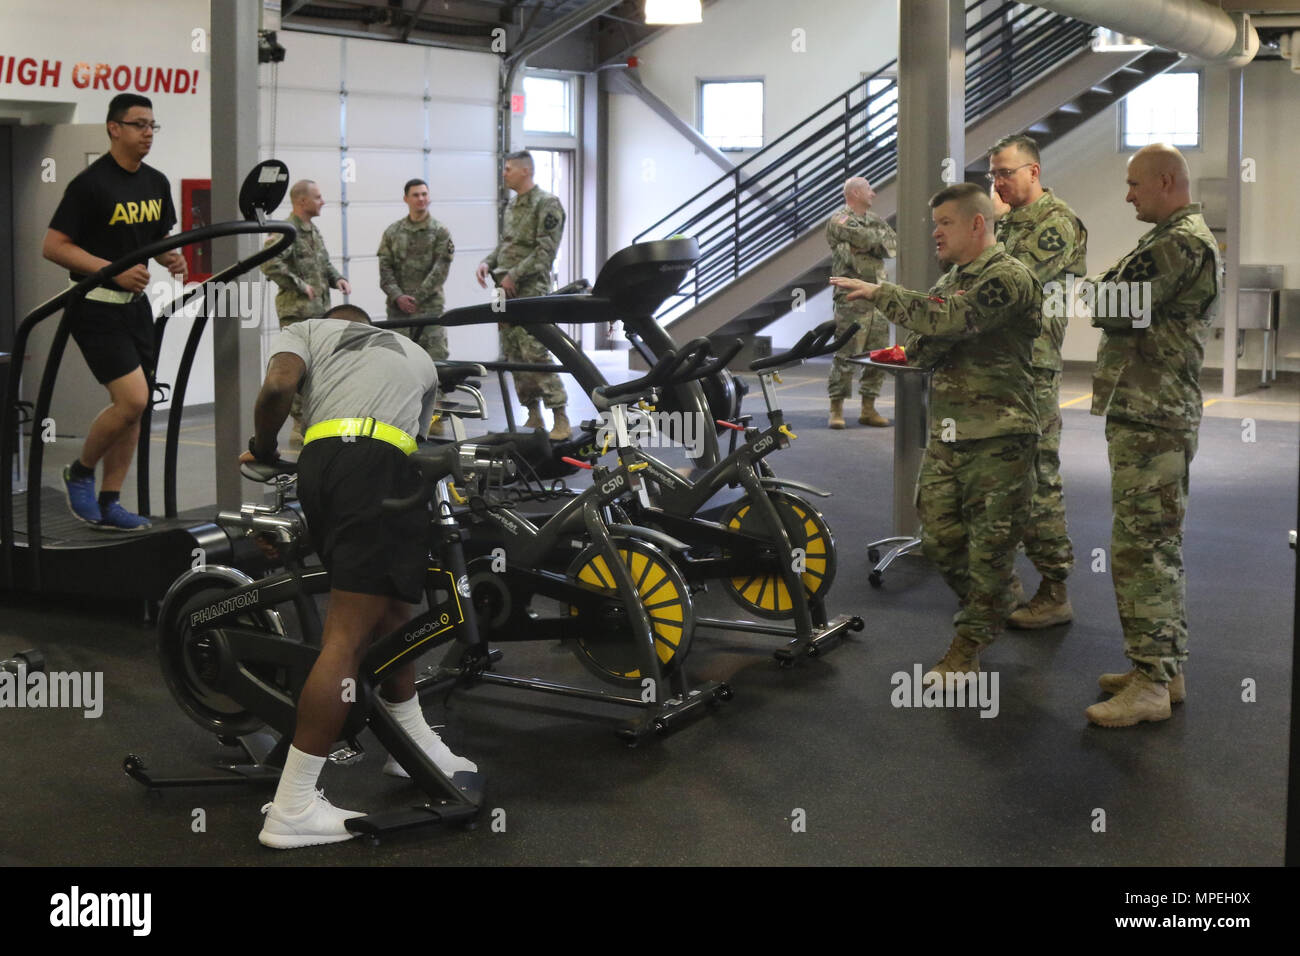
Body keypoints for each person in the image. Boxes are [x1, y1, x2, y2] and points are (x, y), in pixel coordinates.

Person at [242, 302, 476, 848]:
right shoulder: (418, 355)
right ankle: (292, 807)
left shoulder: (308, 330)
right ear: (370, 323)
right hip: (383, 467)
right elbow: (410, 442)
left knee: (393, 608)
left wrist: (261, 447)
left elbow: (279, 385)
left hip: (322, 464)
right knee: (345, 638)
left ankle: (408, 745)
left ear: (334, 321)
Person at [830, 182, 1040, 682]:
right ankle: (993, 601)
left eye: (945, 223)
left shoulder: (1006, 277)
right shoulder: (952, 279)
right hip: (951, 432)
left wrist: (884, 294)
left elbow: (946, 320)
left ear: (976, 224)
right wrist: (909, 340)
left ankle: (966, 649)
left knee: (990, 547)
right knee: (942, 539)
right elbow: (925, 345)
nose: (935, 234)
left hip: (999, 435)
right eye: (934, 223)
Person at [1082, 144, 1219, 728]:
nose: (1128, 195)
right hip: (1153, 411)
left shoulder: (1178, 242)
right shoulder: (1173, 237)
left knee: (1143, 548)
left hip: (1153, 416)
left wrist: (1100, 289)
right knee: (1154, 545)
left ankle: (1152, 684)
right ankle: (1163, 667)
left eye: (1136, 185)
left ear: (1167, 181)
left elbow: (1108, 301)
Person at [43, 93, 188, 531]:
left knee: (134, 412)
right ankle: (81, 471)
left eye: (152, 126)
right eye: (139, 124)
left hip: (135, 309)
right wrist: (112, 271)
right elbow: (54, 247)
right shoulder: (89, 184)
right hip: (94, 308)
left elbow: (156, 237)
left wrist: (171, 260)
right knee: (134, 398)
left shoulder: (156, 182)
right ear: (114, 128)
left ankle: (110, 502)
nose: (148, 133)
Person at [986, 134, 1088, 628]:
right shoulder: (1007, 225)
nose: (998, 182)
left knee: (1038, 479)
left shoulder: (1057, 224)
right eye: (993, 174)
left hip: (1032, 370)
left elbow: (1006, 285)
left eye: (1005, 172)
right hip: (993, 367)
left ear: (1034, 171)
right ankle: (1000, 584)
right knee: (991, 477)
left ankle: (1054, 589)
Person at [474, 151, 570, 440]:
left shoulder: (547, 204)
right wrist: (487, 263)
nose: (504, 173)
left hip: (530, 290)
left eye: (509, 169)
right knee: (513, 353)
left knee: (535, 353)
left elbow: (546, 253)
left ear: (525, 171)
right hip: (503, 292)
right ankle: (533, 414)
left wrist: (513, 275)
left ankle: (560, 416)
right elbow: (507, 246)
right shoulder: (513, 205)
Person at [260, 179, 352, 452]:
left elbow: (323, 264)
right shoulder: (287, 231)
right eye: (318, 196)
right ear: (302, 201)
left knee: (318, 367)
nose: (322, 201)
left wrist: (338, 280)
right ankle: (299, 422)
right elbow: (269, 261)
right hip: (297, 313)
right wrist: (300, 286)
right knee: (296, 367)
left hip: (319, 313)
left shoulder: (313, 231)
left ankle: (312, 417)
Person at [378, 178, 456, 437]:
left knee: (434, 363)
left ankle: (436, 417)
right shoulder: (392, 232)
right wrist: (399, 297)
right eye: (415, 195)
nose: (421, 199)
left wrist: (417, 297)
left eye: (424, 194)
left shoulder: (440, 232)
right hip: (399, 313)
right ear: (406, 199)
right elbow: (385, 269)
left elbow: (440, 270)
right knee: (400, 364)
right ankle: (402, 417)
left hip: (430, 310)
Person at [825, 177, 898, 429]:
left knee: (878, 353)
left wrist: (859, 246)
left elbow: (892, 247)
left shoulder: (876, 220)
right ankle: (836, 409)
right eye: (869, 189)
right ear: (856, 192)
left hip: (876, 294)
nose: (874, 194)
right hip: (850, 298)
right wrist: (870, 243)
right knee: (846, 353)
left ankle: (869, 408)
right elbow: (871, 241)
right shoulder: (838, 219)